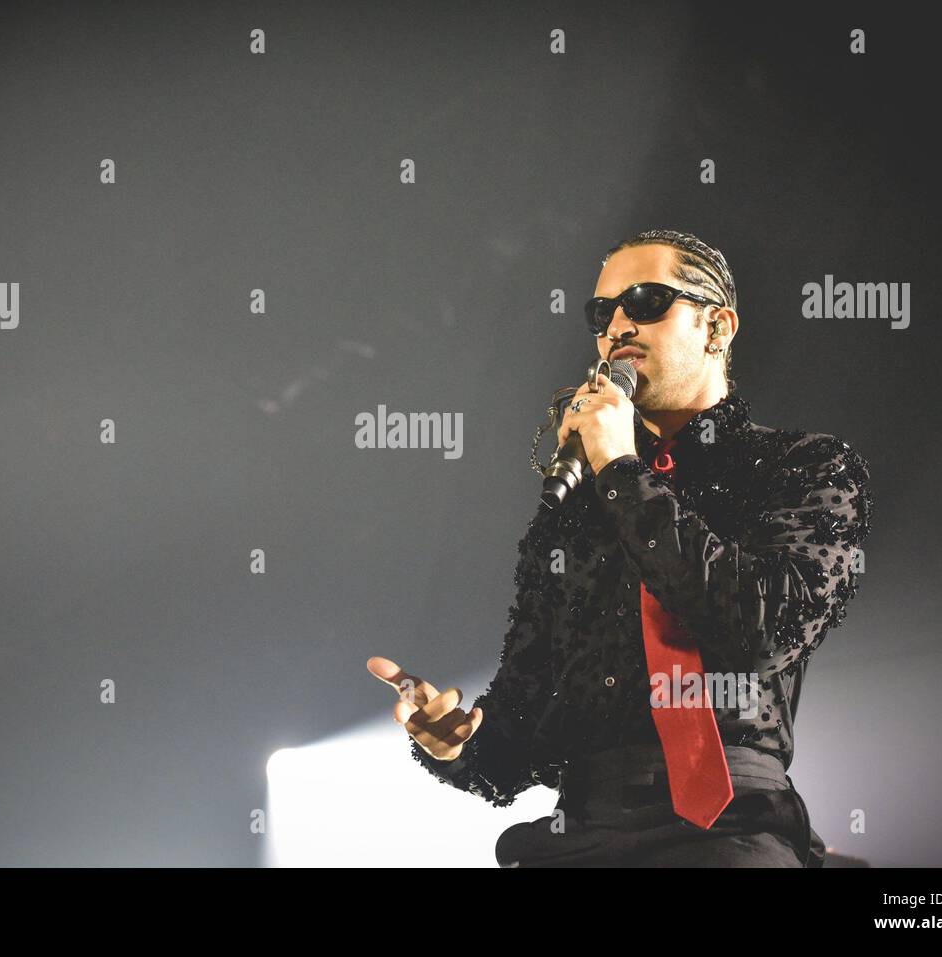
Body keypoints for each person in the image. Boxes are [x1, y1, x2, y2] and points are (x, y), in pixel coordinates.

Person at [368, 228, 874, 866]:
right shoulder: (580, 508)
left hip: (726, 828)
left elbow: (761, 628)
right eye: (601, 312)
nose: (617, 325)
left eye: (645, 301)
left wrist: (621, 468)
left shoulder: (802, 467)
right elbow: (523, 728)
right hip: (580, 831)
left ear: (717, 326)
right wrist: (455, 743)